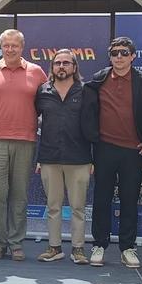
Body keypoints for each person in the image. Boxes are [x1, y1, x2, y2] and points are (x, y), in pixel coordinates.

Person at [82, 37, 142, 268]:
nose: (119, 57)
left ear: (133, 56)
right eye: (114, 53)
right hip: (104, 148)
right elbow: (89, 112)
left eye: (124, 53)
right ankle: (99, 245)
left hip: (133, 151)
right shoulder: (99, 79)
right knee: (101, 198)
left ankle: (128, 248)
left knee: (129, 199)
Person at [0, 29, 47, 261]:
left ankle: (16, 243)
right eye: (6, 45)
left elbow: (46, 105)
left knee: (19, 195)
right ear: (1, 46)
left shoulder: (37, 72)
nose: (10, 49)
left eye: (14, 46)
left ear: (22, 47)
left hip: (25, 140)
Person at [35, 49, 92, 264]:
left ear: (74, 67)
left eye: (66, 63)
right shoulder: (43, 91)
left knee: (78, 207)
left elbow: (93, 125)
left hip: (79, 158)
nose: (61, 66)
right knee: (53, 207)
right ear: (52, 67)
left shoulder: (86, 91)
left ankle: (78, 249)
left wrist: (93, 158)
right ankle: (54, 248)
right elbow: (36, 121)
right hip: (50, 157)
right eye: (57, 63)